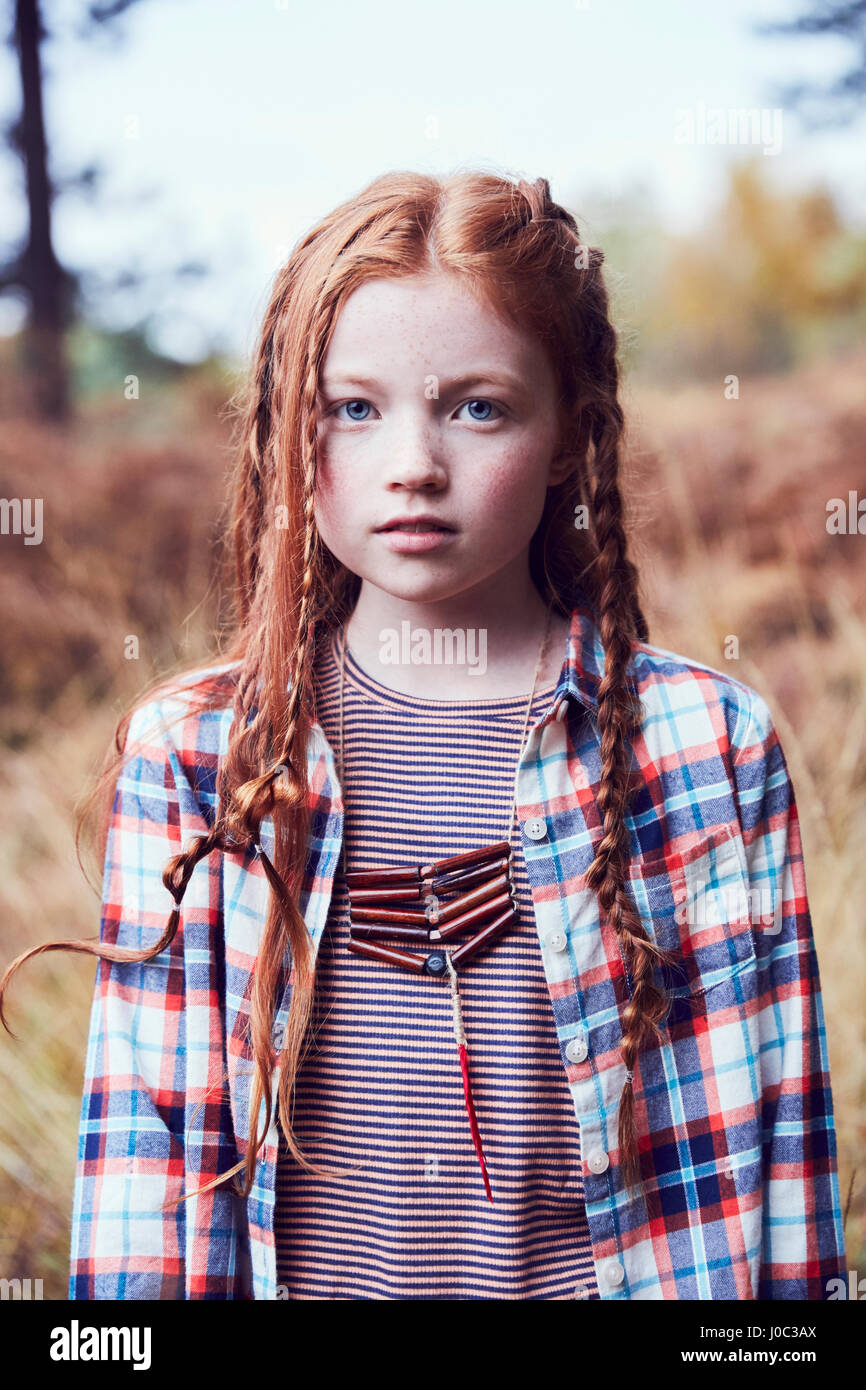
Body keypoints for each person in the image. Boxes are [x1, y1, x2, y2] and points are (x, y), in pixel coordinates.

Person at [0, 170, 847, 1300]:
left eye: (476, 406)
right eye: (353, 408)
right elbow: (142, 1181)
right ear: (288, 435)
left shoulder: (706, 745)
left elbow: (781, 1158)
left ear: (565, 437)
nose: (413, 463)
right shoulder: (198, 753)